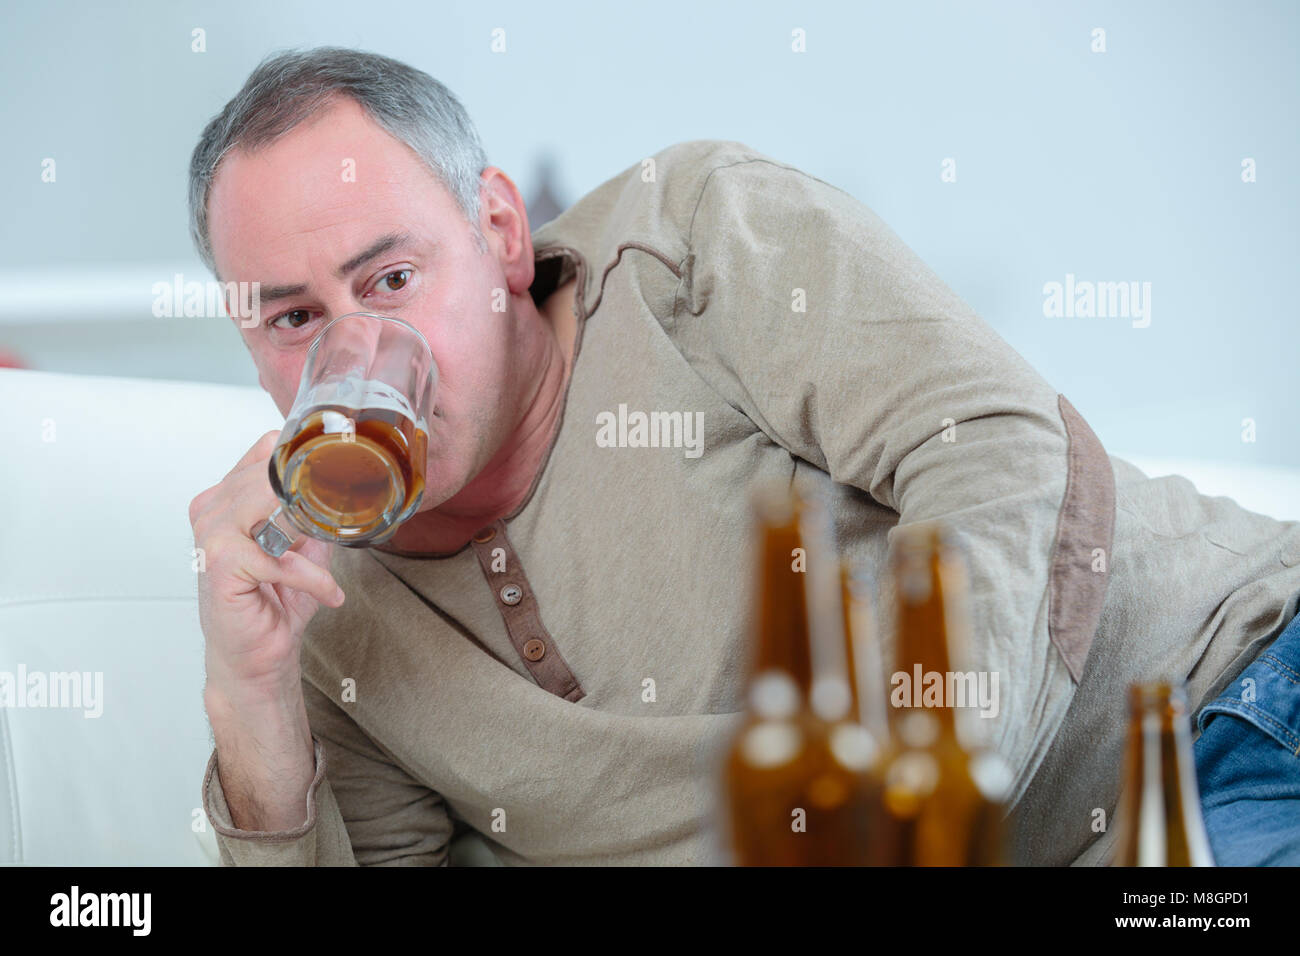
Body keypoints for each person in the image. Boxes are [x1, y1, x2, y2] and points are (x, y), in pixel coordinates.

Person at [186, 46, 1300, 866]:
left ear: (498, 232)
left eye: (390, 279)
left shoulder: (692, 241)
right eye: (293, 320)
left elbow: (1000, 451)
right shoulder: (326, 610)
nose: (359, 350)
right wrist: (252, 695)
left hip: (1228, 705)